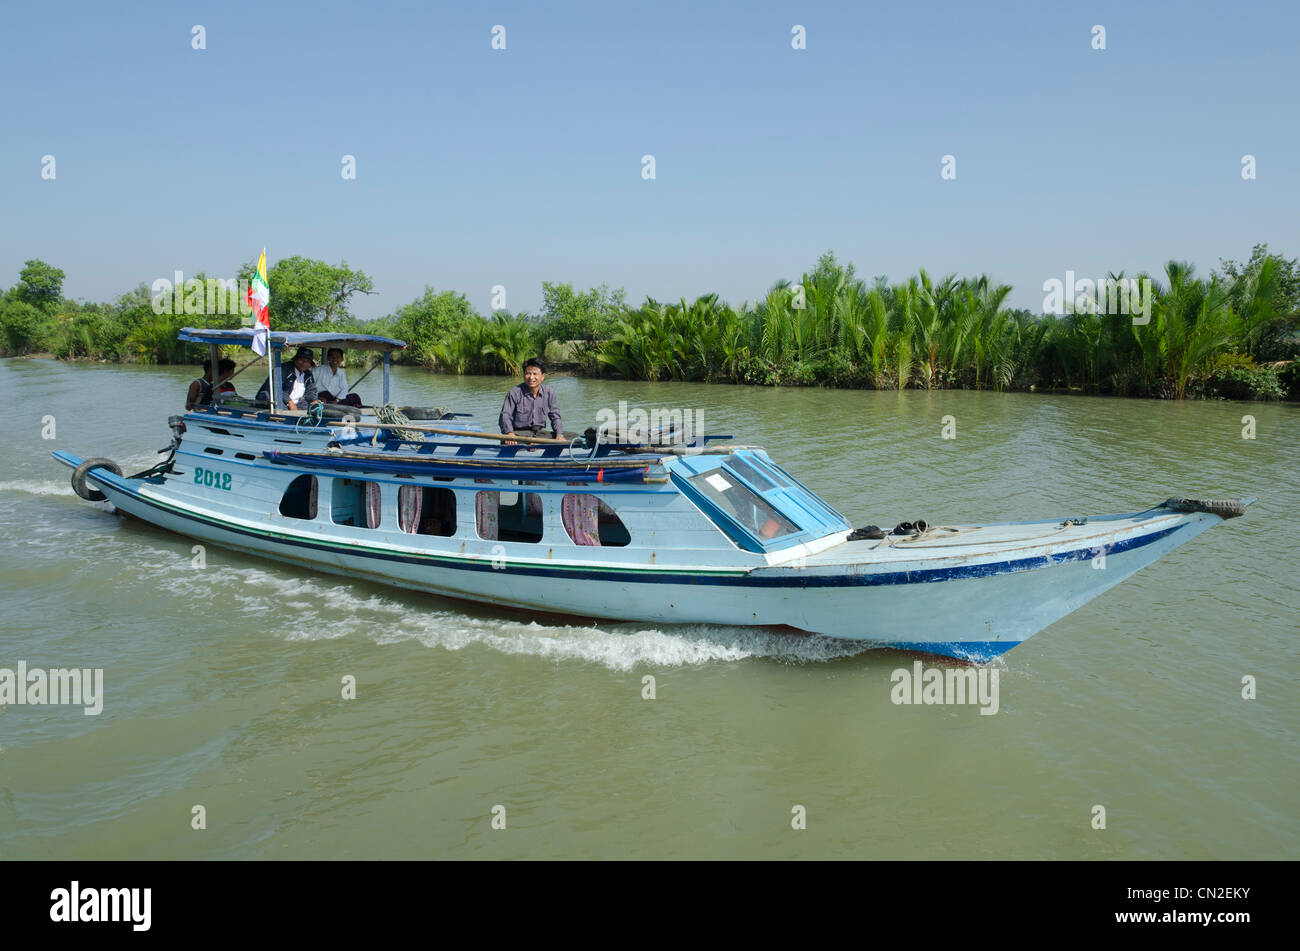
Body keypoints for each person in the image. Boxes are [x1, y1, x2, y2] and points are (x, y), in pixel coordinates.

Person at [499, 358, 562, 442]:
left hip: (539, 434)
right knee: (509, 441)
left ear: (542, 376)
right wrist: (509, 433)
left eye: (535, 374)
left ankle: (534, 443)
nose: (531, 377)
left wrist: (559, 435)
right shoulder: (514, 393)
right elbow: (505, 416)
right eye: (528, 373)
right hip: (519, 434)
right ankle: (530, 444)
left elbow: (555, 417)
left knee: (574, 437)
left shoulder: (549, 393)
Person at [256, 346, 319, 411]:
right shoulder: (284, 369)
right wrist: (289, 402)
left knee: (312, 407)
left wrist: (313, 401)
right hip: (280, 402)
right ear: (296, 359)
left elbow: (311, 390)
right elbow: (275, 387)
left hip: (297, 403)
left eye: (307, 361)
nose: (304, 363)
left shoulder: (308, 374)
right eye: (302, 360)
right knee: (274, 401)